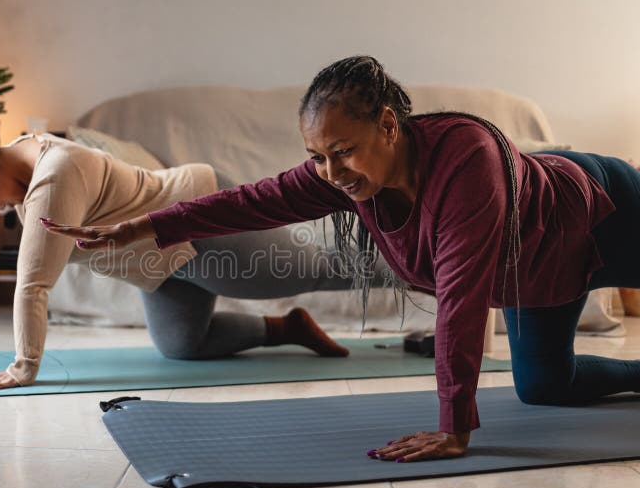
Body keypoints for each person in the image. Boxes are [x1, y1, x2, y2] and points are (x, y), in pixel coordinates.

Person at [43, 55, 640, 463]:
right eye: (317, 156)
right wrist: (142, 227)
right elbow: (251, 202)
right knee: (543, 387)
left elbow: (460, 298)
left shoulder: (466, 160)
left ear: (388, 125)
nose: (331, 172)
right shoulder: (342, 175)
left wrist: (454, 427)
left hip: (607, 211)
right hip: (540, 265)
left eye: (342, 151)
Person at [0, 114, 368, 391]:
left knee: (323, 268)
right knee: (185, 344)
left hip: (199, 225)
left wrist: (24, 366)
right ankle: (289, 329)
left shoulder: (54, 177)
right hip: (157, 265)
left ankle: (421, 265)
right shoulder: (7, 162)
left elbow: (34, 283)